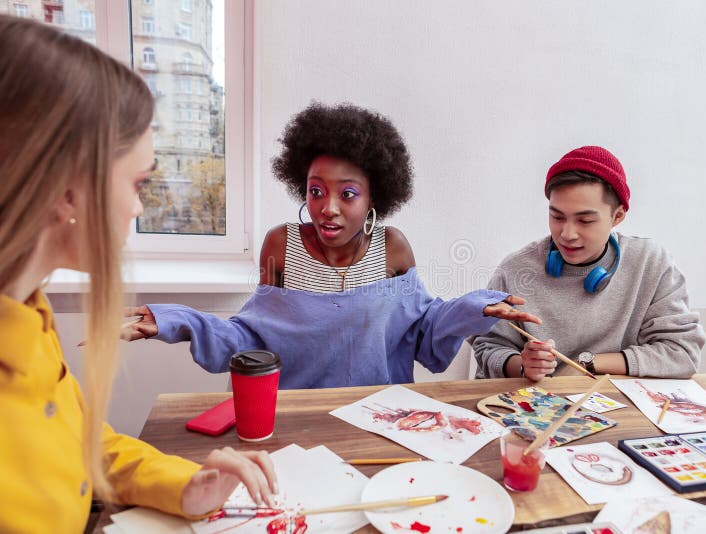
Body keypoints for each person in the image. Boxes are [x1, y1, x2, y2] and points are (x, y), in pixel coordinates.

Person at [0, 16, 277, 532]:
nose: (136, 209)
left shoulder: (27, 314)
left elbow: (85, 442)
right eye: (139, 184)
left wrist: (185, 485)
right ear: (66, 191)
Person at [125, 103, 540, 388]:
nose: (328, 209)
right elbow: (250, 339)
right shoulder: (280, 245)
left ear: (374, 196)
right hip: (296, 417)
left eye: (348, 194)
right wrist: (177, 321)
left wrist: (473, 308)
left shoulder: (392, 249)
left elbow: (423, 331)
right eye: (316, 191)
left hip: (382, 416)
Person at [473, 146, 705, 381]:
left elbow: (682, 352)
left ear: (617, 216)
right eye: (557, 217)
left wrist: (586, 364)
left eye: (585, 220)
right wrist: (524, 366)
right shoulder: (515, 269)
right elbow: (488, 348)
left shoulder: (650, 262)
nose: (567, 234)